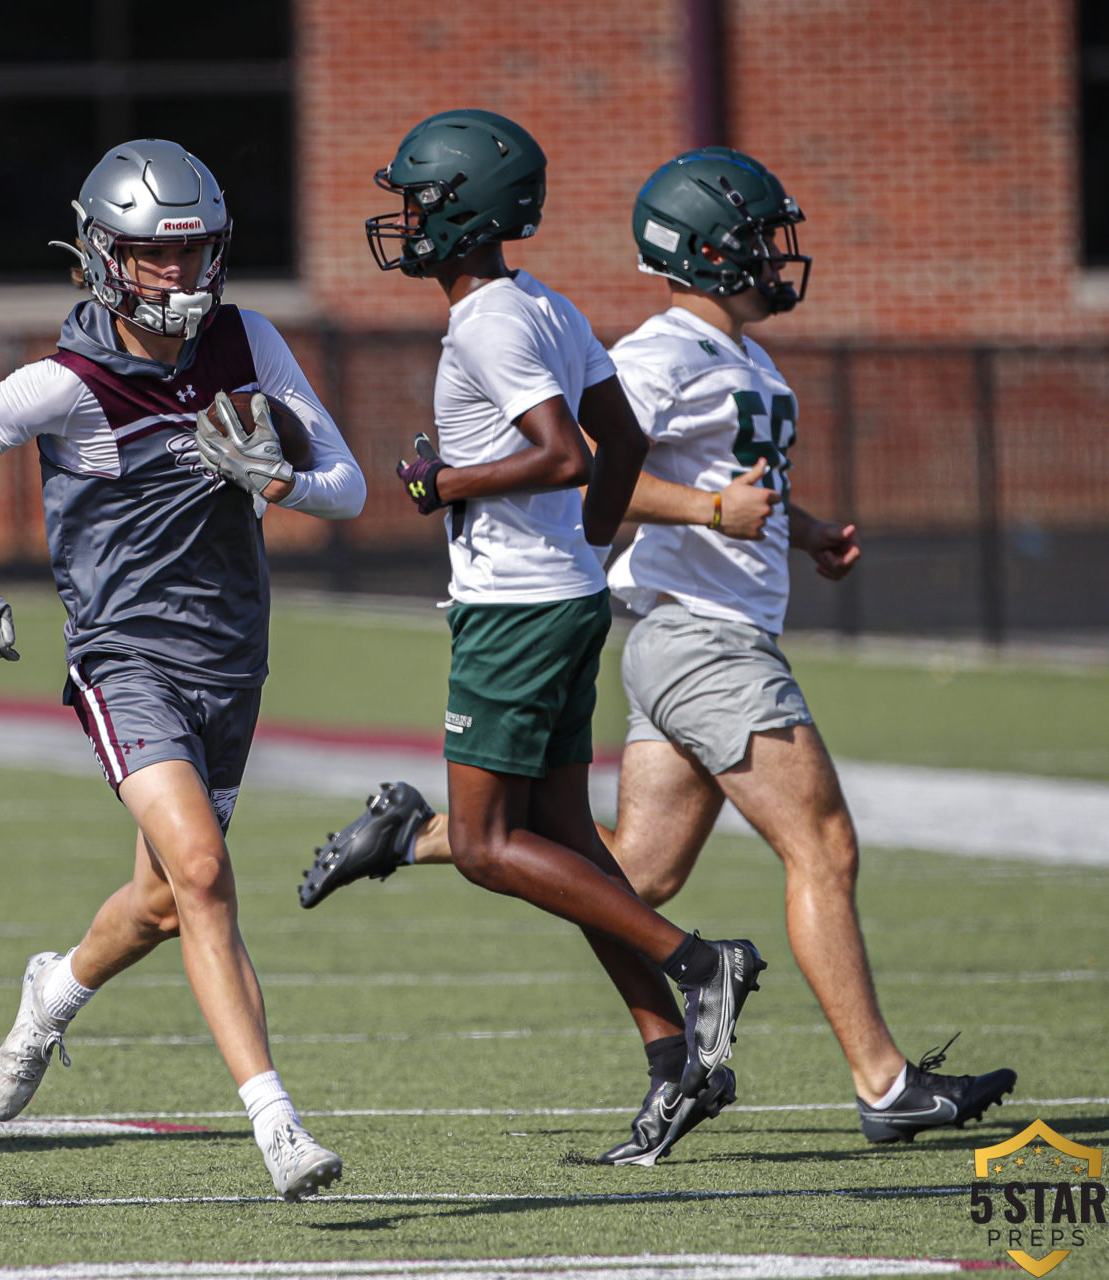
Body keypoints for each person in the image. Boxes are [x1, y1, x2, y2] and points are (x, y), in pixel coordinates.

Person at [304, 145, 1014, 1155]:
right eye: (763, 240)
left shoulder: (742, 359)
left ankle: (418, 848)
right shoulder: (659, 349)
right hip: (697, 633)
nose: (779, 258)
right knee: (822, 843)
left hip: (681, 629)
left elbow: (658, 470)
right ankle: (883, 1080)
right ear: (710, 251)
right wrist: (691, 512)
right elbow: (600, 466)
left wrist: (800, 529)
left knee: (629, 868)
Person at [0, 139, 366, 1201]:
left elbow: (345, 483)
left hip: (232, 656)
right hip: (127, 656)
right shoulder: (67, 382)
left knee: (161, 900)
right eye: (152, 257)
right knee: (204, 872)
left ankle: (52, 990)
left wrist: (281, 478)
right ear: (102, 256)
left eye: (194, 251)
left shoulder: (248, 337)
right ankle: (279, 1124)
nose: (177, 276)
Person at [351, 110, 766, 1167]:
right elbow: (618, 437)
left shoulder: (488, 319)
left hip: (517, 612)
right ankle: (674, 1059)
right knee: (571, 844)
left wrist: (444, 482)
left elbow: (564, 451)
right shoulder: (540, 300)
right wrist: (586, 543)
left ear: (463, 211)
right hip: (559, 595)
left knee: (488, 847)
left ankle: (700, 961)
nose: (405, 221)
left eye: (420, 201)